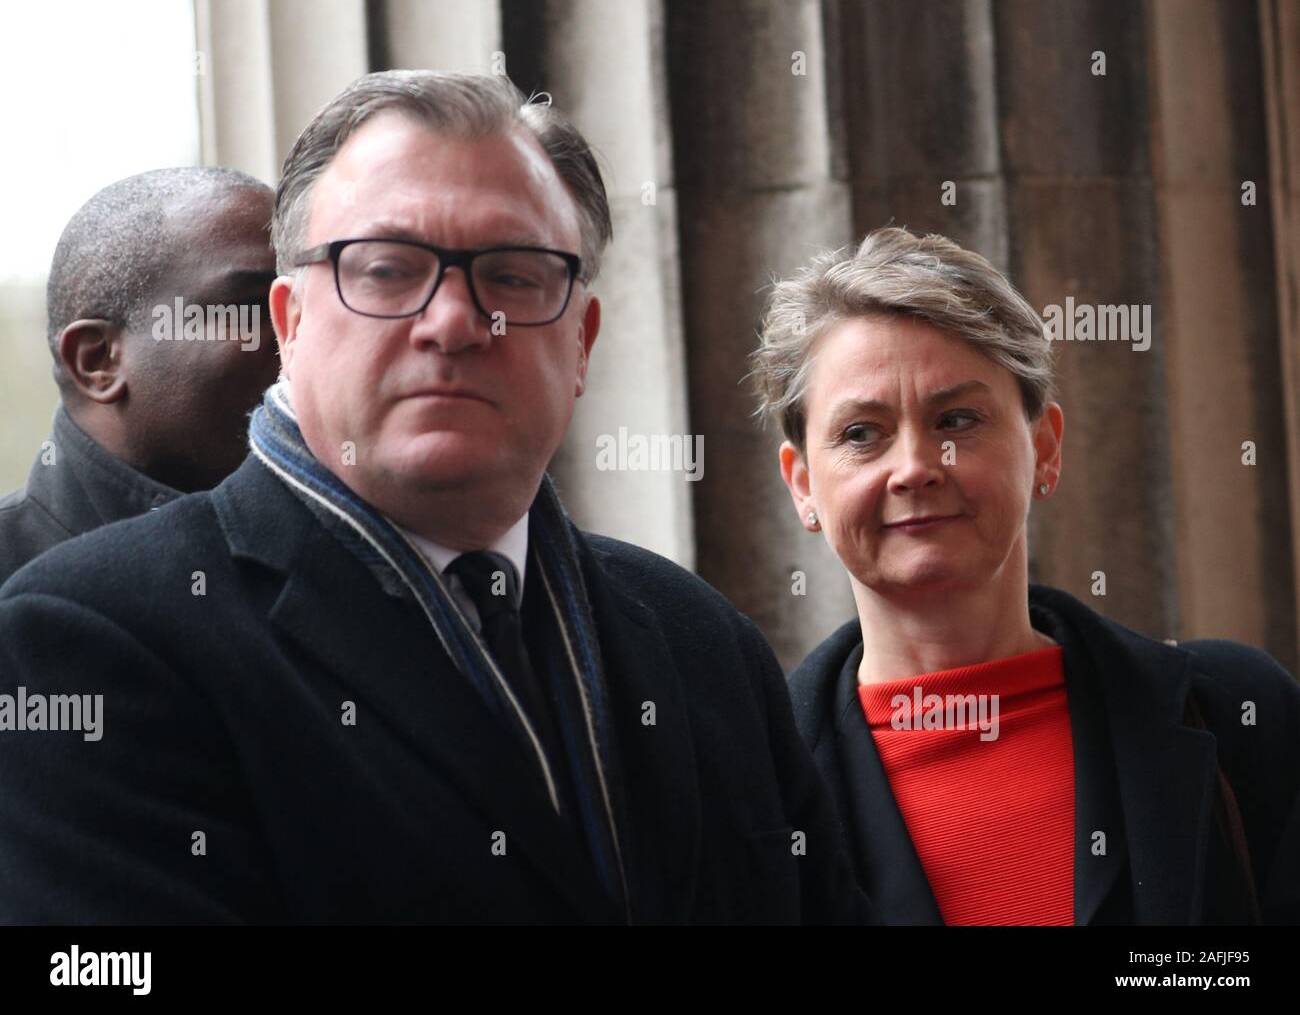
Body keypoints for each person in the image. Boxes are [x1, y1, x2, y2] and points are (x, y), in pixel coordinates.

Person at [0, 71, 866, 926]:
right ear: (291, 323)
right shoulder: (88, 637)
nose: (454, 321)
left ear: (581, 343)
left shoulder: (701, 640)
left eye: (514, 276)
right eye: (384, 269)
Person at [750, 226, 1300, 925]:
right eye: (862, 432)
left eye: (957, 418)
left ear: (1044, 449)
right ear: (802, 484)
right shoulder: (754, 792)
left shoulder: (1238, 717)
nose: (915, 465)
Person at [0, 167, 279, 585]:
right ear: (99, 361)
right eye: (255, 308)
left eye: (307, 300)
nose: (303, 333)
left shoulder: (357, 553)